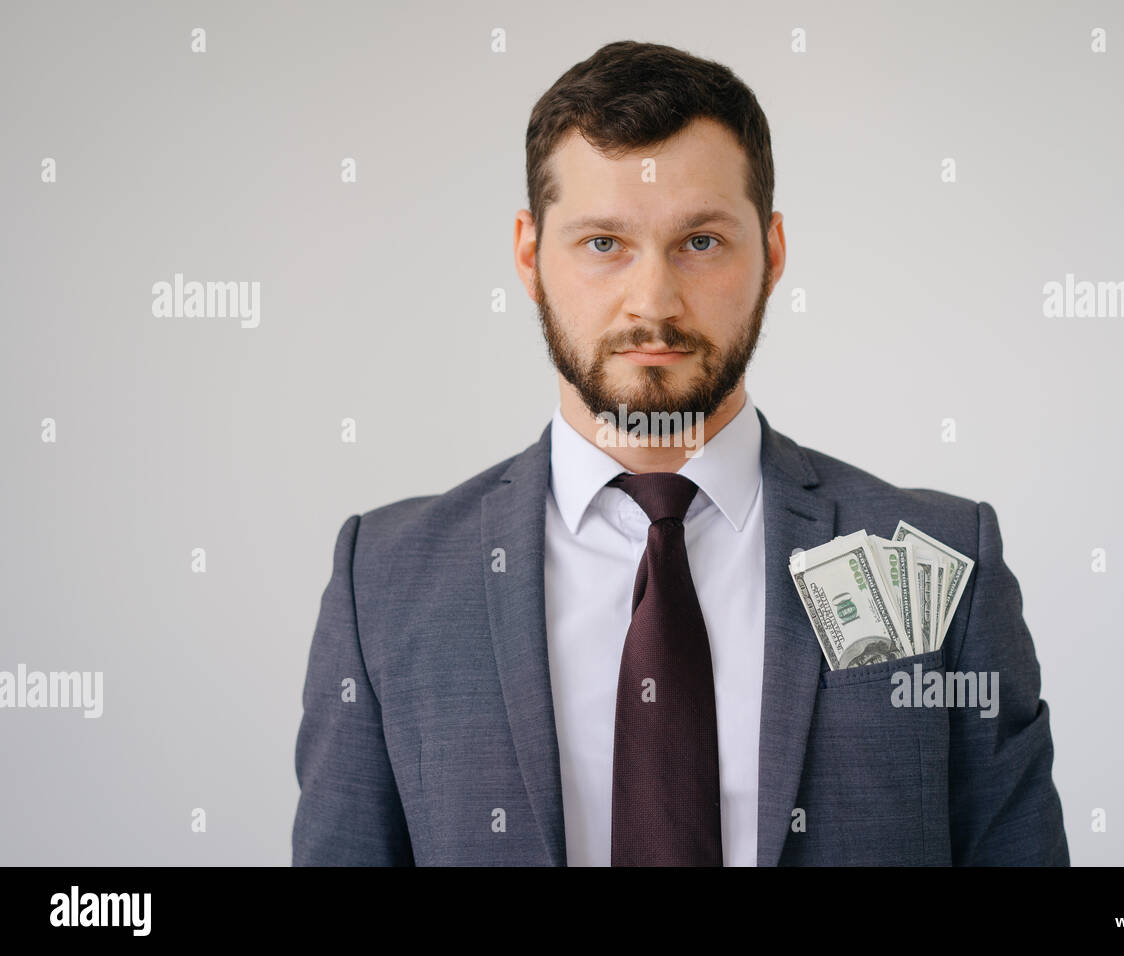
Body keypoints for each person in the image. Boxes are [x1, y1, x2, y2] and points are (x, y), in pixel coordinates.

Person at [292, 39, 1069, 866]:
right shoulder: (383, 585)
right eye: (603, 244)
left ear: (771, 255)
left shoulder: (942, 564)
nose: (653, 302)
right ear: (529, 256)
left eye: (700, 242)